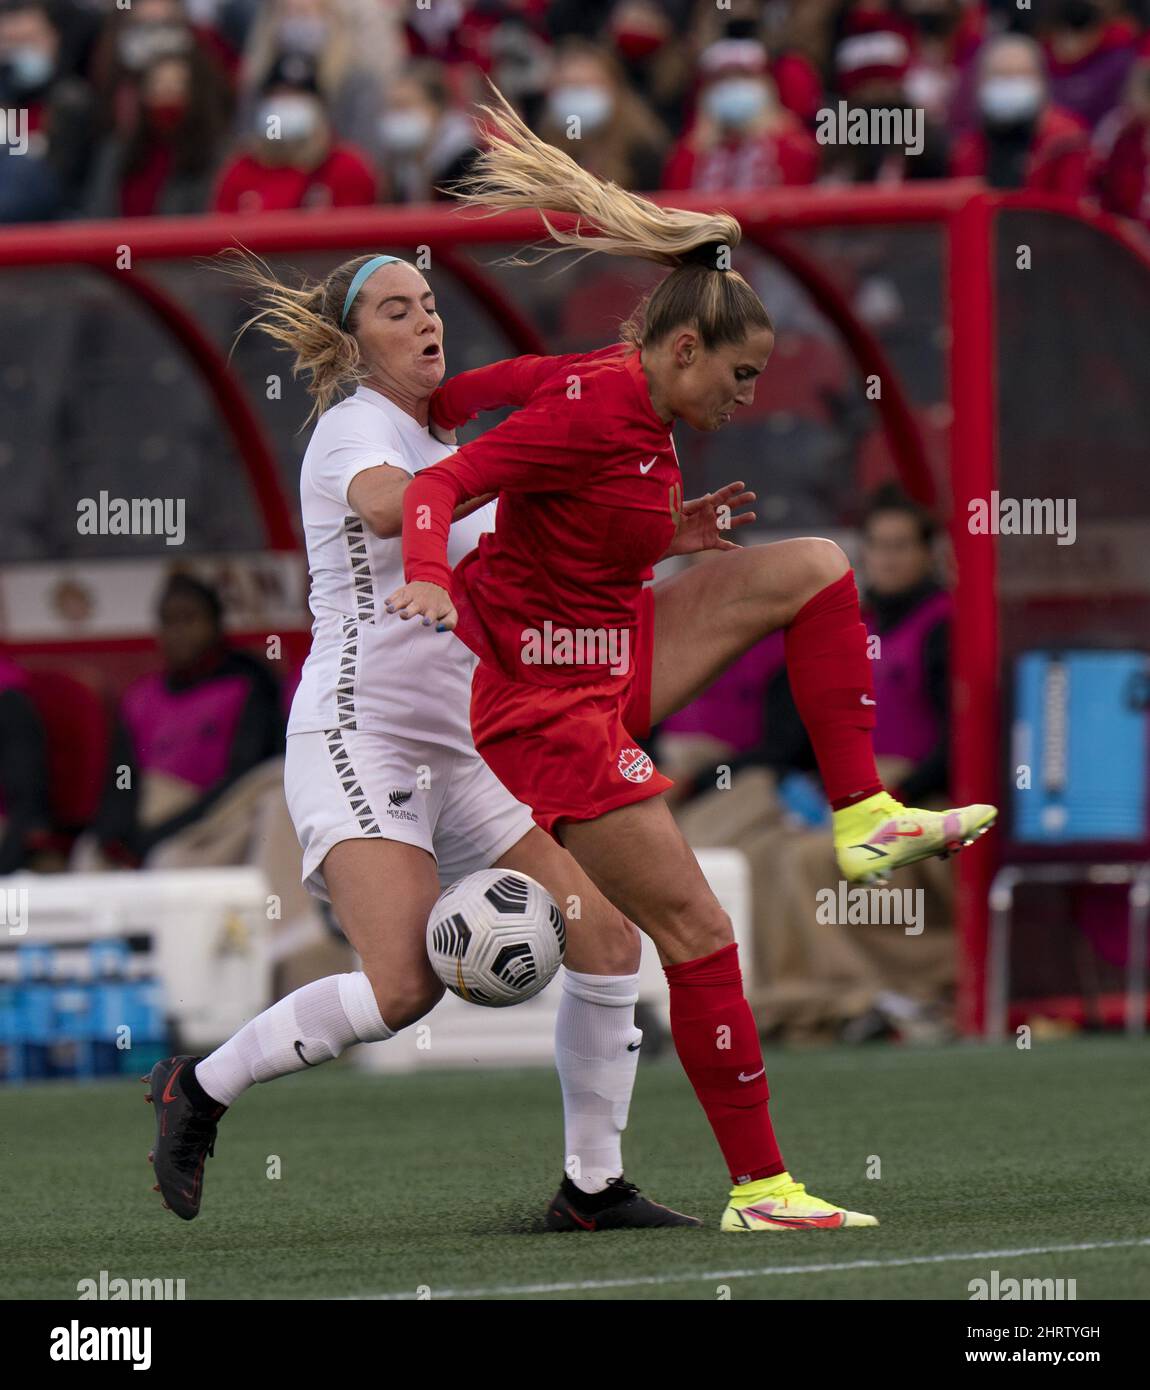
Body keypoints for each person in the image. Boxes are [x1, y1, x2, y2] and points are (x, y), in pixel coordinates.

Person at [389, 87, 996, 1232]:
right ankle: (761, 1189)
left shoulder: (636, 407)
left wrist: (668, 534)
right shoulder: (592, 407)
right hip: (544, 704)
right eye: (740, 375)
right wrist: (425, 563)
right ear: (681, 347)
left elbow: (492, 394)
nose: (748, 397)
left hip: (607, 656)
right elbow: (440, 481)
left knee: (815, 563)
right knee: (700, 934)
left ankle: (863, 814)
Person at [144, 251, 697, 1234]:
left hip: (465, 746)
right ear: (355, 343)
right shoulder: (354, 426)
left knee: (608, 937)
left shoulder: (450, 440)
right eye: (396, 310)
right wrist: (493, 471)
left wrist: (650, 533)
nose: (426, 320)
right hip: (362, 734)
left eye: (430, 303)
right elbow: (387, 505)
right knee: (402, 990)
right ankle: (199, 1086)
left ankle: (592, 1187)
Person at [94, 574, 284, 869]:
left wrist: (157, 835)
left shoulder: (247, 686)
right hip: (147, 817)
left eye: (190, 619)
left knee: (168, 862)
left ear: (216, 624)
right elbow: (123, 775)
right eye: (169, 621)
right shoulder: (140, 697)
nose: (178, 632)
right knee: (90, 857)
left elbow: (243, 779)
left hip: (217, 820)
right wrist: (116, 834)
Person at [212, 53, 376, 213]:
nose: (287, 106)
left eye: (299, 97)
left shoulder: (347, 167)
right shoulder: (241, 170)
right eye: (280, 96)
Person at [950, 33, 1091, 195]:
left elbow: (1070, 202)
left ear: (1041, 81)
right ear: (980, 84)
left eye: (1021, 74)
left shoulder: (1066, 141)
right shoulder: (967, 148)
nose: (1011, 83)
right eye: (1001, 74)